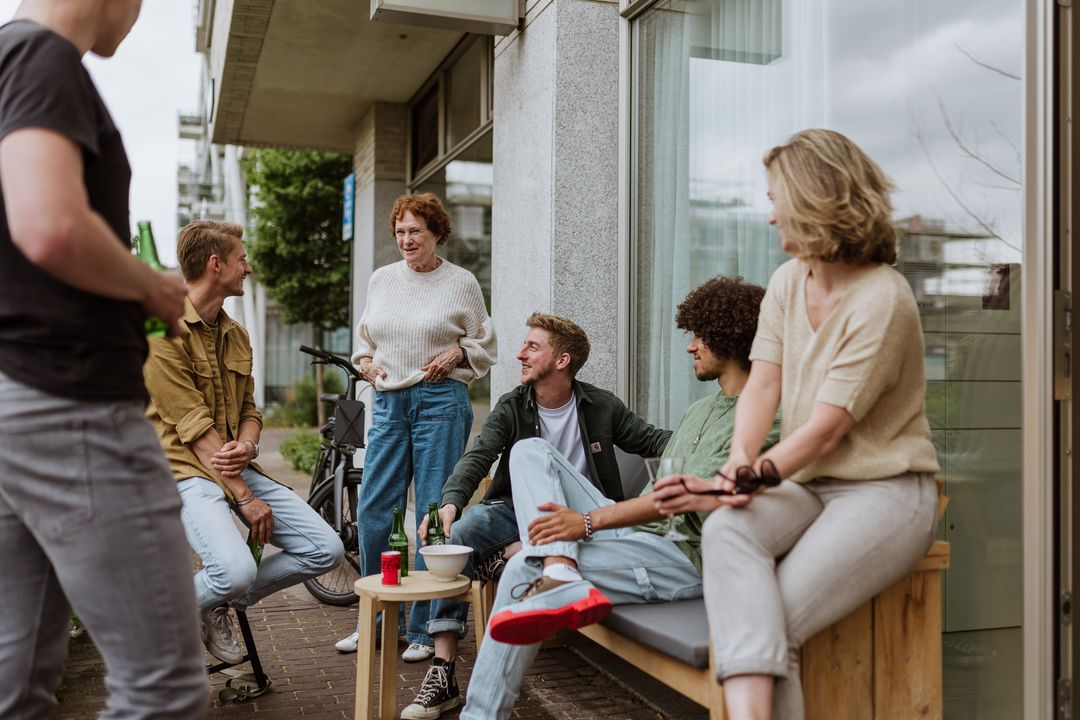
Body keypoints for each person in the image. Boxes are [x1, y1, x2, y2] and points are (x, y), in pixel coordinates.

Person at [655, 129, 941, 720]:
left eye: (775, 199)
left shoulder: (882, 299)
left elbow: (828, 429)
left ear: (814, 201)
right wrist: (739, 457)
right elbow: (765, 381)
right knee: (728, 531)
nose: (769, 218)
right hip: (810, 486)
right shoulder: (789, 281)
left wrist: (745, 478)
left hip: (885, 491)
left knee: (769, 620)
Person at [0, 2, 209, 718]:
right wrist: (151, 286)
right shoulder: (42, 57)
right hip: (70, 405)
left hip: (12, 407)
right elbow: (51, 225)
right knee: (164, 690)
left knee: (15, 679)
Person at [459, 277, 779, 719]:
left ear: (730, 336)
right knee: (528, 450)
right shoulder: (699, 411)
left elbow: (684, 499)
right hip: (635, 536)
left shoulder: (763, 419)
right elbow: (481, 455)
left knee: (518, 566)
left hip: (683, 557)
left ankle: (479, 714)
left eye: (698, 336)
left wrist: (585, 523)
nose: (690, 347)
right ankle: (560, 564)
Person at [399, 312, 671, 719]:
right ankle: (443, 670)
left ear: (561, 361)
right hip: (516, 510)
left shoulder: (601, 406)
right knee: (455, 536)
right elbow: (478, 457)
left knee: (530, 459)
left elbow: (655, 441)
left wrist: (722, 441)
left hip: (584, 515)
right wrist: (451, 503)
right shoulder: (513, 406)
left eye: (532, 346)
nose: (519, 354)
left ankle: (520, 551)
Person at [144, 220, 345, 664]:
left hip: (238, 465)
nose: (248, 268)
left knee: (326, 549)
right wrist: (246, 497)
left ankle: (214, 601)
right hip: (186, 472)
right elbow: (194, 428)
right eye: (242, 259)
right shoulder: (161, 329)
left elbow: (250, 410)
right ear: (216, 265)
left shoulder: (236, 333)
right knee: (235, 569)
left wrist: (250, 446)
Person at [337, 192, 497, 662]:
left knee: (433, 512)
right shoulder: (383, 280)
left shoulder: (461, 282)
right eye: (401, 232)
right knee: (375, 508)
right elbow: (365, 341)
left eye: (416, 232)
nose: (407, 240)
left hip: (440, 401)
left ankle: (430, 629)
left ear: (437, 235)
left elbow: (484, 343)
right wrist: (365, 364)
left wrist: (459, 352)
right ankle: (378, 619)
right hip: (388, 402)